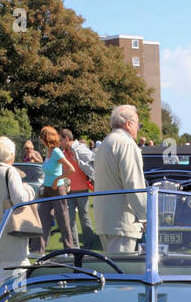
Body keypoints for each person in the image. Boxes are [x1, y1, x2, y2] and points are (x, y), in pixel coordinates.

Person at [0, 136, 36, 286]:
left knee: (3, 269)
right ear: (10, 154)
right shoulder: (10, 172)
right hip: (12, 229)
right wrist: (29, 189)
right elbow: (21, 200)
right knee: (18, 268)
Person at [92, 104, 147, 253]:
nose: (138, 128)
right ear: (128, 124)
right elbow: (133, 184)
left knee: (111, 269)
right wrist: (145, 215)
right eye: (138, 124)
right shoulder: (127, 144)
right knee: (120, 271)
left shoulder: (105, 143)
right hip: (122, 220)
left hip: (104, 218)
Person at [37, 125, 77, 250]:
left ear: (46, 138)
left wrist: (57, 180)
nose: (40, 139)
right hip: (47, 189)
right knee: (42, 217)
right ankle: (39, 249)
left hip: (58, 189)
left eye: (42, 136)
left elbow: (71, 169)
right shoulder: (47, 152)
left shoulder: (56, 152)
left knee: (63, 219)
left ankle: (68, 248)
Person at [61, 128, 95, 245]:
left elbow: (93, 160)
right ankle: (74, 245)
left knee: (84, 217)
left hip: (82, 190)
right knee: (70, 220)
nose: (59, 143)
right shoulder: (63, 153)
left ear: (66, 139)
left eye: (61, 141)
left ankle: (89, 242)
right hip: (68, 192)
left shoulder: (79, 149)